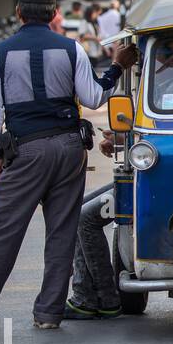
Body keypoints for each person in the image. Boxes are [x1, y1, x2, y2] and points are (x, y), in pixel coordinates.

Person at [0, 0, 138, 329]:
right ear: (55, 13)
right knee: (61, 232)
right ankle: (48, 313)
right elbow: (93, 97)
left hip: (25, 151)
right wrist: (117, 66)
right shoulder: (71, 49)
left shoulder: (0, 52)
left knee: (2, 232)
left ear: (18, 13)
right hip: (71, 149)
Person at [64, 131, 122, 320]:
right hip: (136, 175)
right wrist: (122, 139)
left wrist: (124, 138)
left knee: (85, 218)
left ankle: (107, 298)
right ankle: (85, 297)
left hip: (151, 181)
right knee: (77, 211)